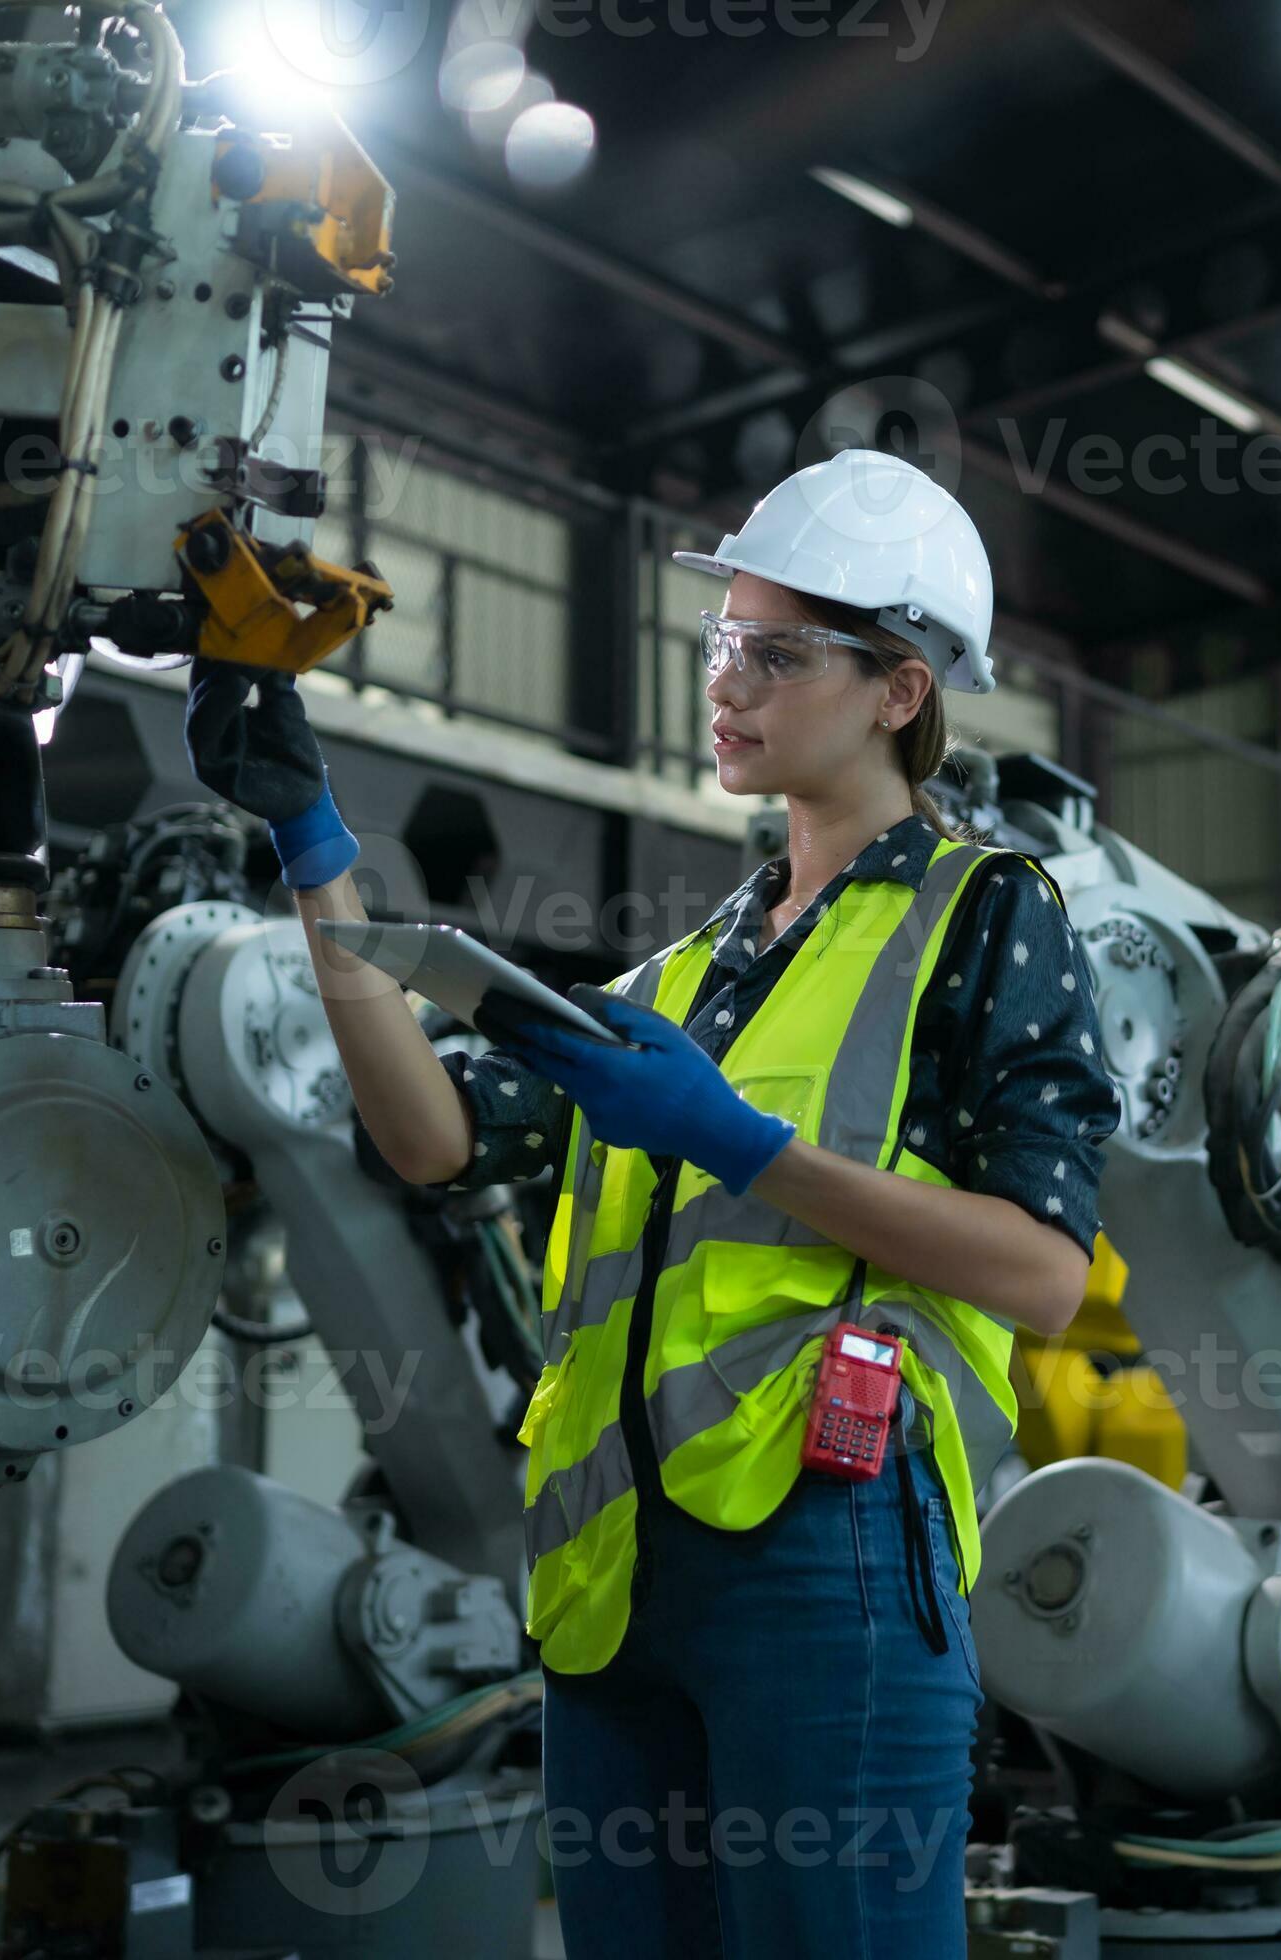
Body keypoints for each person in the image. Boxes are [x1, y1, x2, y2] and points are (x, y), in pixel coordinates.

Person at [180, 449, 1122, 1957]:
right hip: (612, 1575)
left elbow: (1041, 1275)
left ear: (900, 689)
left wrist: (745, 1148)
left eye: (775, 651)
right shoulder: (672, 981)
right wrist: (314, 851)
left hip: (828, 1556)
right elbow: (426, 1135)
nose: (727, 682)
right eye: (719, 643)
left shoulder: (986, 912)